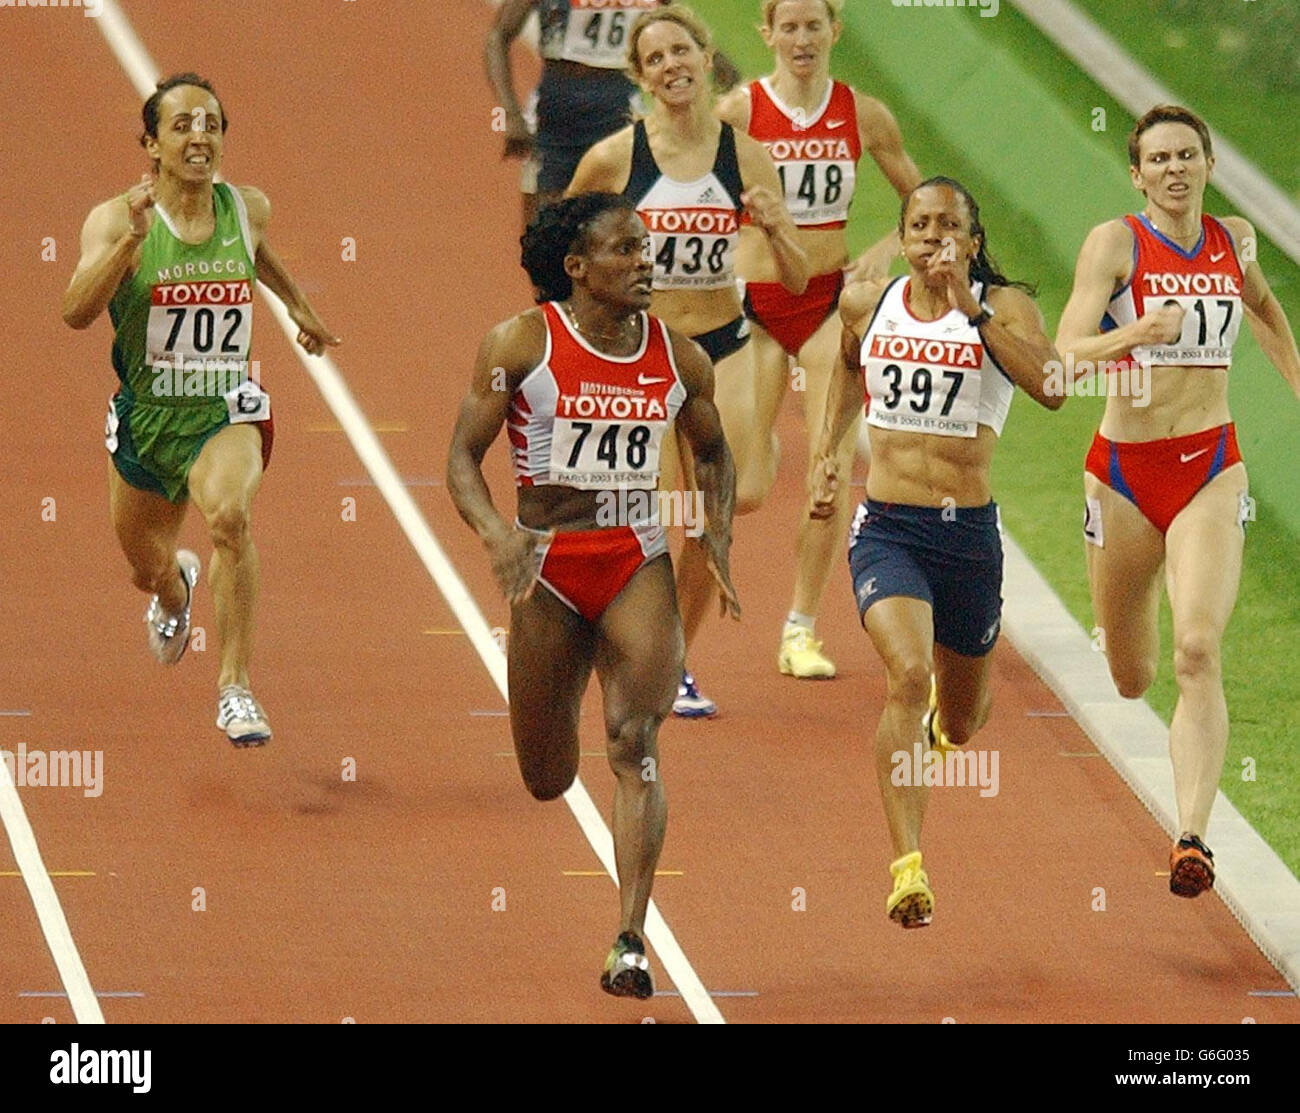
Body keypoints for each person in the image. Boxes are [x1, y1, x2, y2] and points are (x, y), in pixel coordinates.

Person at [446, 192, 738, 996]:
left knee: (634, 743)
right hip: (545, 566)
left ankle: (629, 938)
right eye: (626, 250)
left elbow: (711, 451)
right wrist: (499, 536)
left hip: (632, 558)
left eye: (647, 247)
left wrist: (715, 534)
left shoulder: (682, 358)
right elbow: (461, 460)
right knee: (546, 776)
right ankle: (560, 734)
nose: (647, 261)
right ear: (576, 268)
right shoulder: (521, 343)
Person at [1056, 105, 1300, 898]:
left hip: (1209, 466)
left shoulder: (1234, 240)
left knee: (1199, 649)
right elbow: (1062, 357)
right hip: (1124, 473)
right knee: (1133, 674)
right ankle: (1150, 573)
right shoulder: (1115, 243)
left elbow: (1264, 308)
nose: (1174, 168)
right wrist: (1135, 334)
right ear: (1137, 174)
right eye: (1158, 158)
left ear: (1207, 163)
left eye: (1187, 154)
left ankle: (1191, 835)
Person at [810, 177, 1063, 927]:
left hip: (968, 539)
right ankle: (908, 867)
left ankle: (942, 736)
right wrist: (827, 452)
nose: (931, 238)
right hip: (889, 526)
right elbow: (848, 371)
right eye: (918, 225)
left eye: (947, 225)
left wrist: (974, 312)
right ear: (905, 236)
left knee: (961, 718)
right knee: (908, 674)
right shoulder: (871, 301)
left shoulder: (1004, 307)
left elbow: (1051, 387)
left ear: (972, 240)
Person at [61, 73, 339, 746]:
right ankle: (173, 591)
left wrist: (300, 308)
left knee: (231, 517)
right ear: (151, 144)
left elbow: (257, 255)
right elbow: (75, 312)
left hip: (222, 408)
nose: (198, 136)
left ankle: (235, 686)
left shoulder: (247, 207)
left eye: (210, 124)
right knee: (142, 562)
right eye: (182, 124)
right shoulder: (115, 219)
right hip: (147, 417)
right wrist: (129, 244)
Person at [568, 4, 809, 716]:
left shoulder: (746, 154)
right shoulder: (617, 156)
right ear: (640, 77)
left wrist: (772, 228)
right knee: (649, 516)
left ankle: (673, 660)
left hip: (722, 346)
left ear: (707, 59)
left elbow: (795, 278)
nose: (672, 65)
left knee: (716, 513)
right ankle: (621, 641)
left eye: (683, 50)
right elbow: (556, 241)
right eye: (656, 58)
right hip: (644, 354)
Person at [716, 0, 920, 679]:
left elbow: (930, 202)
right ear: (766, 35)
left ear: (835, 32)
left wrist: (889, 245)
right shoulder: (740, 112)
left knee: (828, 474)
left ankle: (800, 627)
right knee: (744, 488)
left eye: (814, 26)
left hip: (827, 304)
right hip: (755, 304)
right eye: (789, 27)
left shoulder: (863, 113)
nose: (801, 40)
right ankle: (763, 437)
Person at [485, 0, 740, 229]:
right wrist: (510, 114)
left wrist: (713, 57)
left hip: (618, 107)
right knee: (544, 236)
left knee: (626, 226)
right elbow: (498, 36)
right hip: (556, 111)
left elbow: (674, 19)